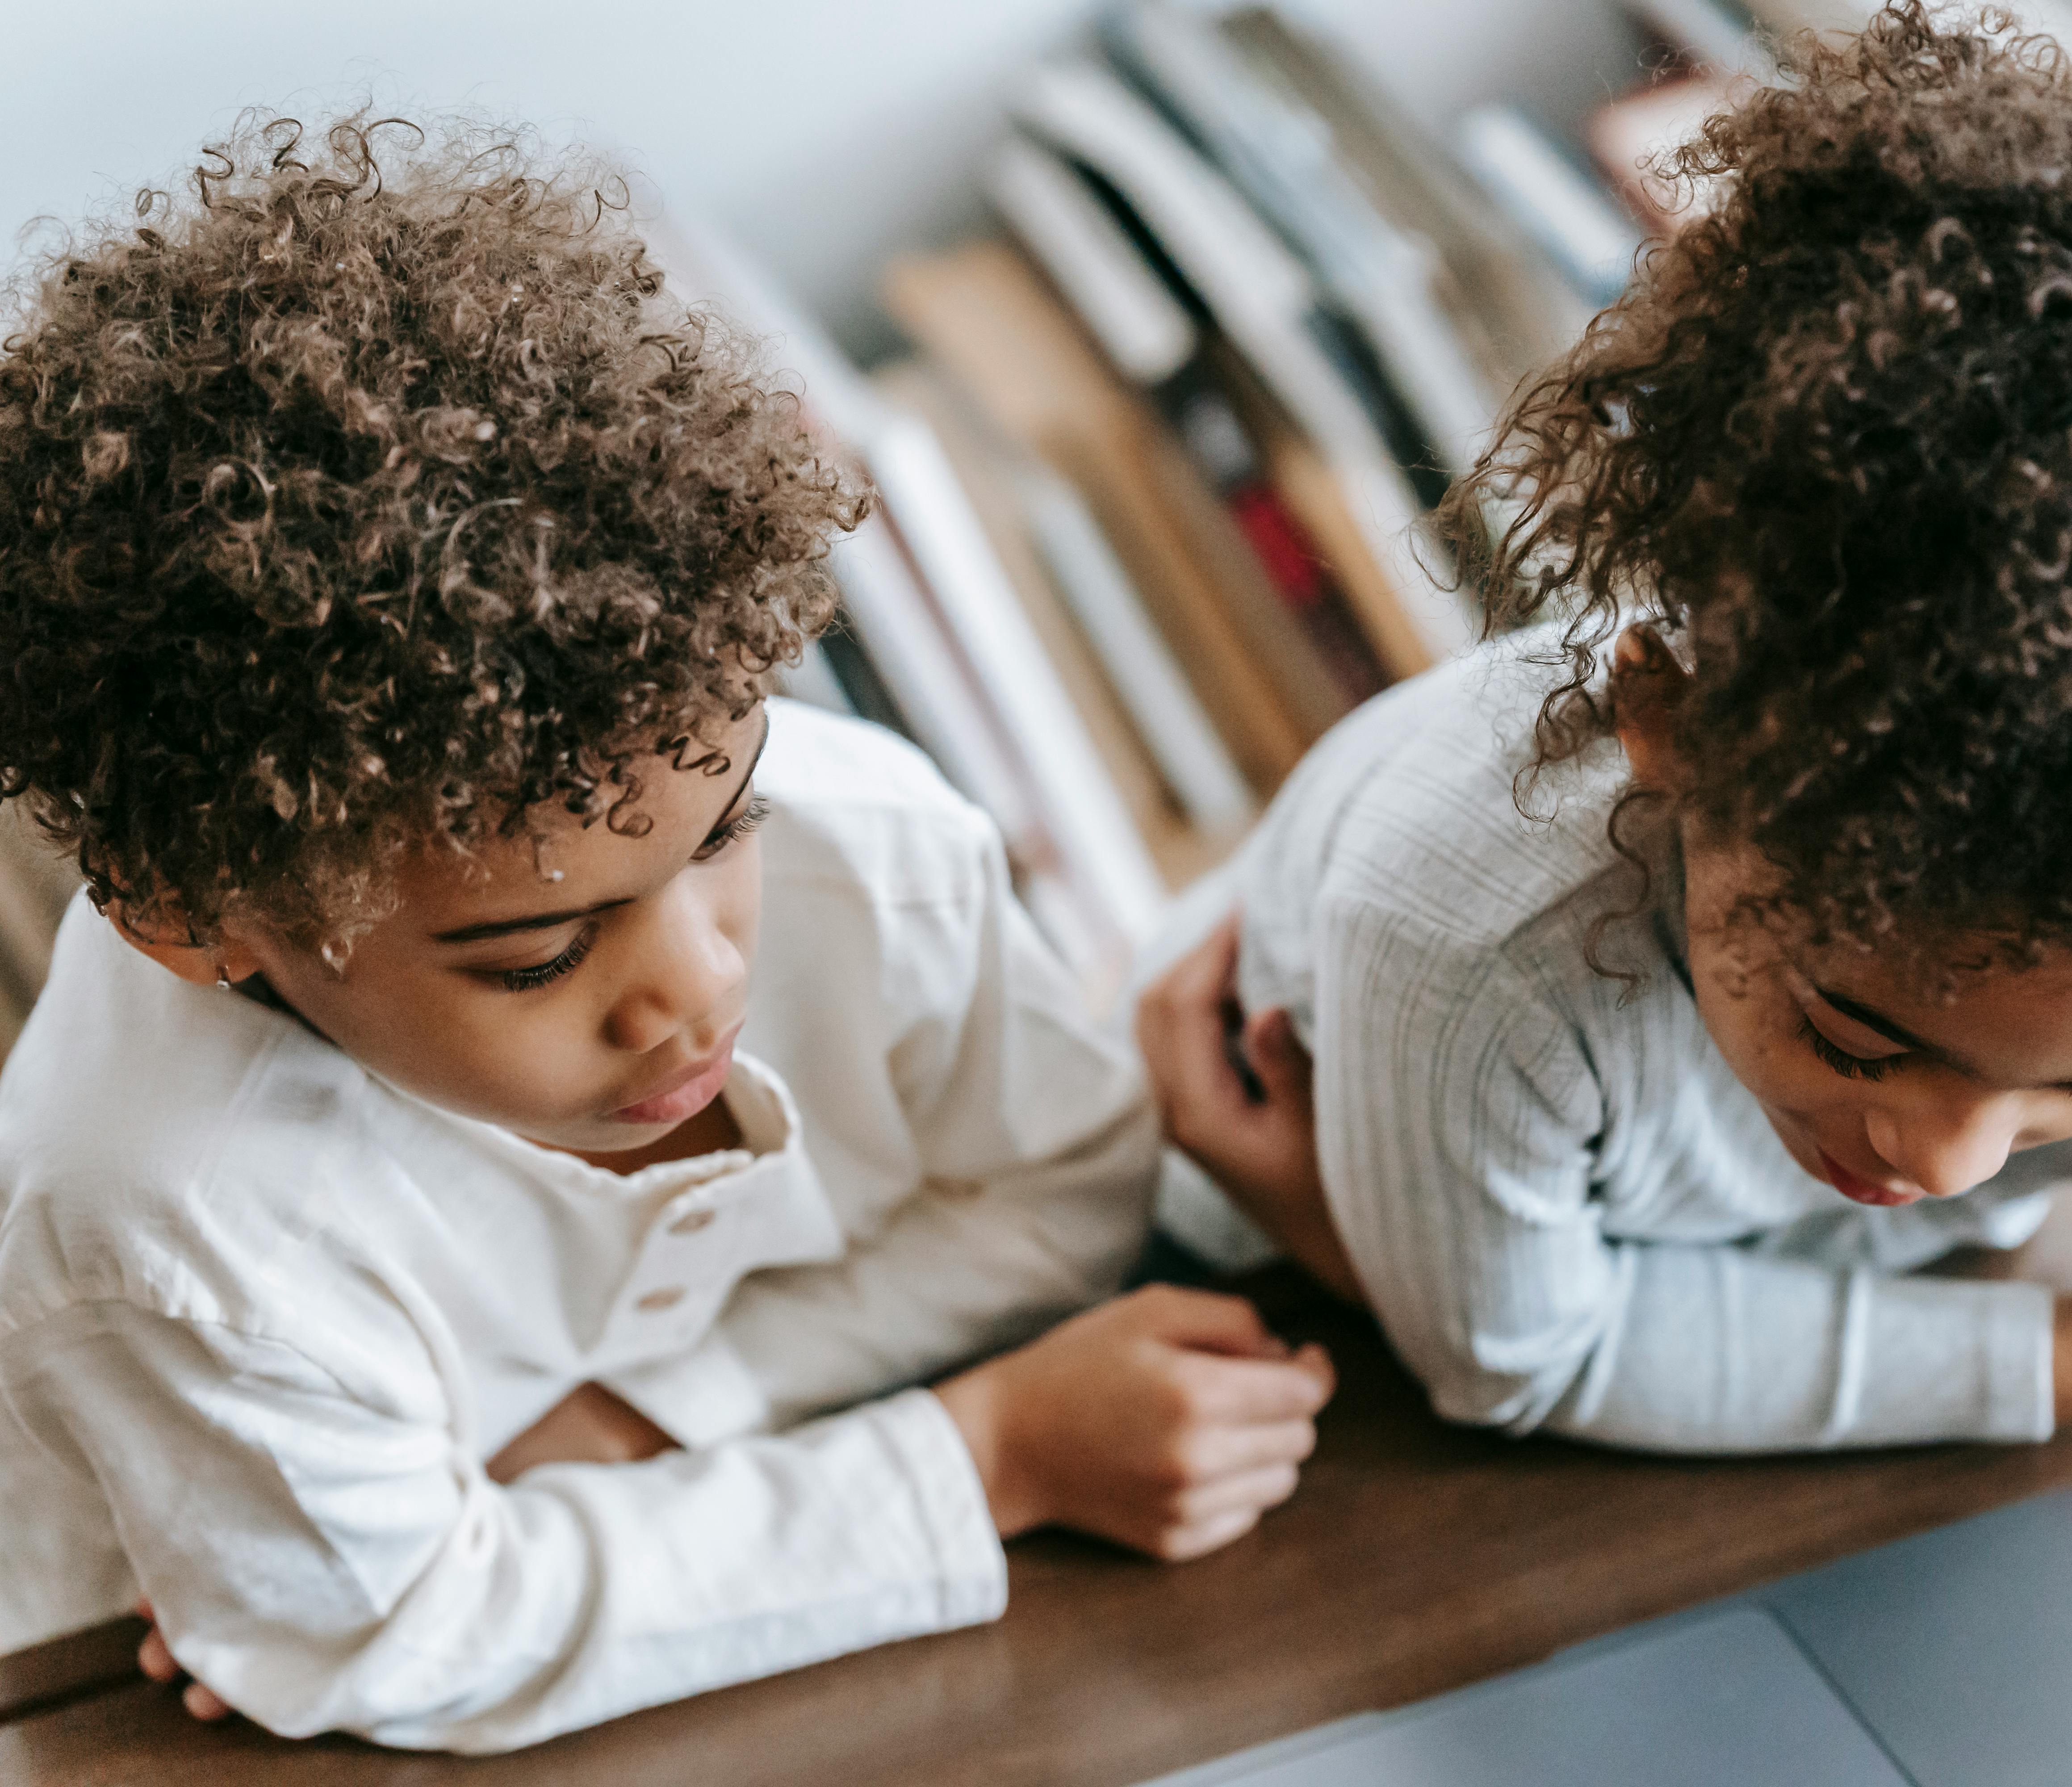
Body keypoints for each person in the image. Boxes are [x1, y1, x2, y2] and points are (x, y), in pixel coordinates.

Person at [1136, 4, 2072, 1455]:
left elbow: (1878, 1243)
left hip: (1634, 1248)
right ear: (1671, 725)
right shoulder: (1472, 951)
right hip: (1250, 1196)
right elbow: (1516, 1362)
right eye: (1852, 1029)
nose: (1953, 1163)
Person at [0, 117, 1331, 1753]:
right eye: (540, 955)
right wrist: (991, 1457)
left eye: (731, 832)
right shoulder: (159, 1221)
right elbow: (394, 1630)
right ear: (203, 930)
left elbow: (1062, 1187)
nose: (700, 985)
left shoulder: (884, 847)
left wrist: (641, 1424)